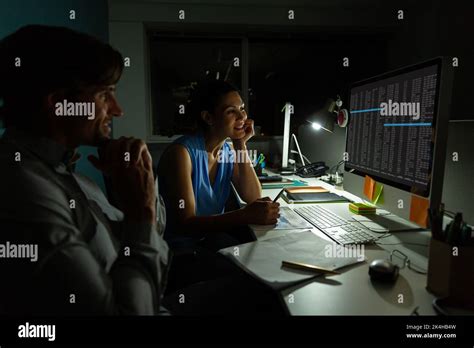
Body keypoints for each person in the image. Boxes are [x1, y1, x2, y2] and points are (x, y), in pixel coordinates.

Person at [0, 25, 170, 315]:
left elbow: (154, 233)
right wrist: (141, 212)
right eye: (105, 95)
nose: (117, 110)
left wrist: (136, 191)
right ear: (58, 104)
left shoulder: (70, 174)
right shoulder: (24, 189)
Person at [158, 80, 280, 250]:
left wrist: (240, 144)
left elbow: (253, 196)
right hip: (182, 252)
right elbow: (185, 224)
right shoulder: (181, 153)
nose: (242, 117)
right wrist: (243, 215)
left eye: (242, 109)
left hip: (210, 241)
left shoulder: (227, 151)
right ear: (208, 117)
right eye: (231, 111)